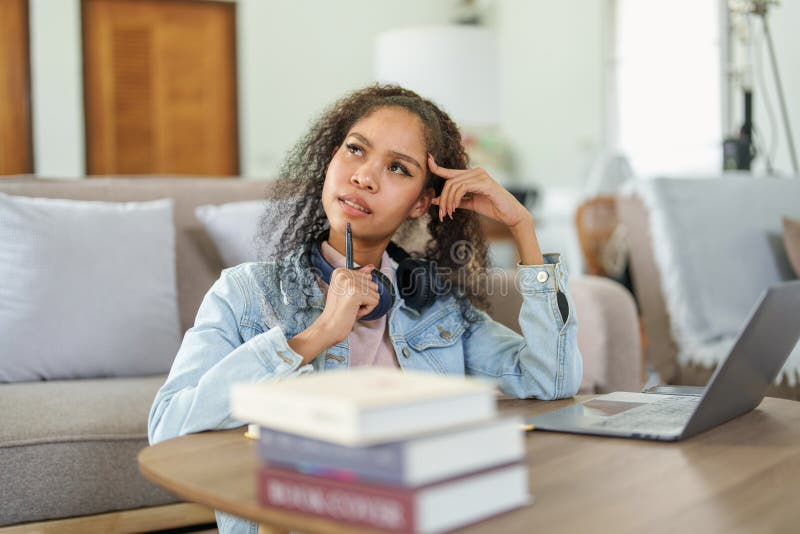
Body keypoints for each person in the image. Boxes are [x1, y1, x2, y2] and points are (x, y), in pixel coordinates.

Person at [148, 85, 582, 534]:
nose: (365, 177)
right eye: (356, 150)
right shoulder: (245, 294)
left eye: (398, 167)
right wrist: (314, 336)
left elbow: (551, 378)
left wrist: (521, 227)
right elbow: (167, 430)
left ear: (420, 202)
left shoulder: (437, 306)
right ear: (331, 159)